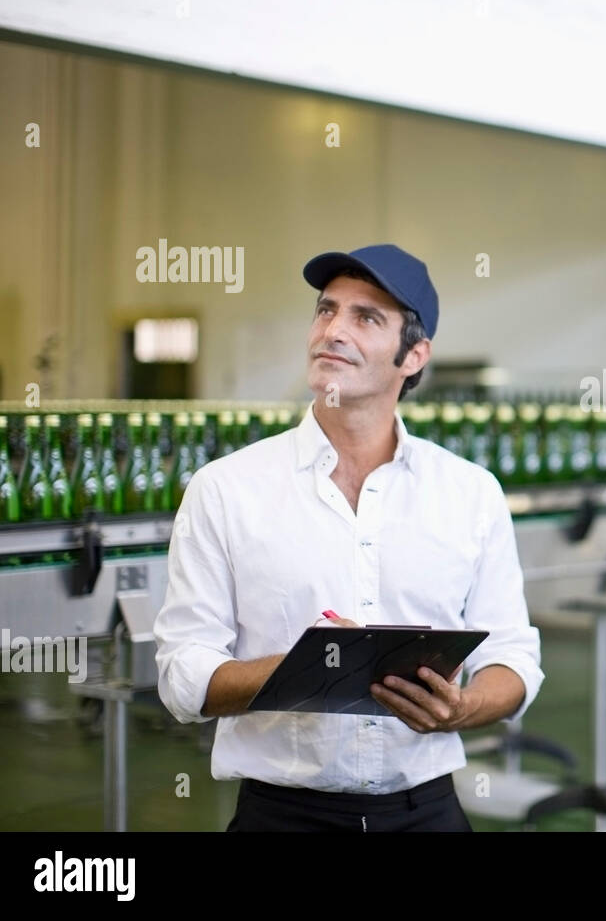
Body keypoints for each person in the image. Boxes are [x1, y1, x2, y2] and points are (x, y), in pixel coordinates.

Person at [154, 243, 544, 831]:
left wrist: (461, 708)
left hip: (427, 812)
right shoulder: (225, 490)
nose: (333, 330)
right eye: (326, 309)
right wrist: (304, 668)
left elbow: (513, 660)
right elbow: (184, 675)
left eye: (366, 318)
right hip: (281, 817)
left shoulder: (471, 494)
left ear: (414, 355)